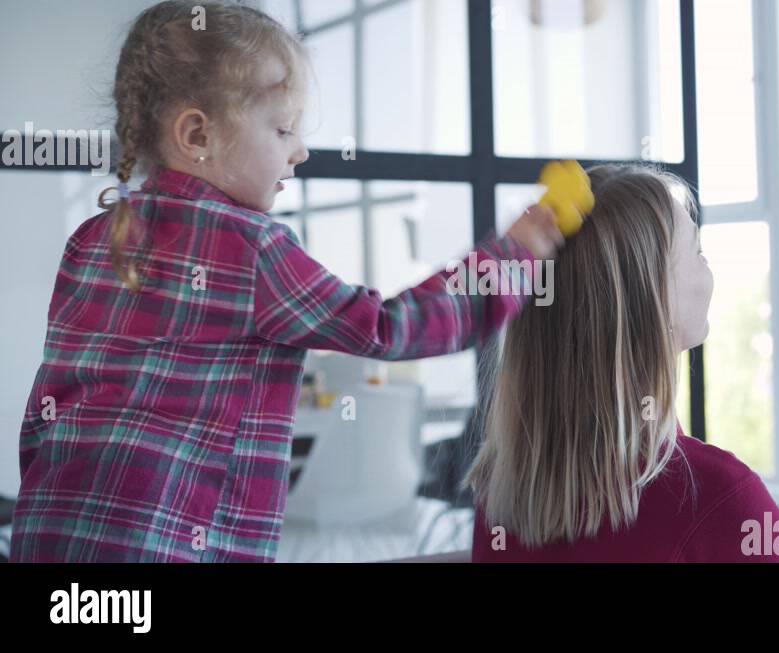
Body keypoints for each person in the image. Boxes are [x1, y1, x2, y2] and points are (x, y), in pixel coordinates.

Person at [10, 1, 561, 563]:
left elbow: (46, 403)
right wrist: (512, 258)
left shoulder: (91, 239)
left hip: (52, 534)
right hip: (168, 544)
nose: (300, 150)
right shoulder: (250, 246)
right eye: (282, 129)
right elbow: (387, 329)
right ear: (197, 134)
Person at [466, 164, 779, 562]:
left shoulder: (501, 495)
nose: (708, 267)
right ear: (653, 300)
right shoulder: (723, 500)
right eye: (697, 252)